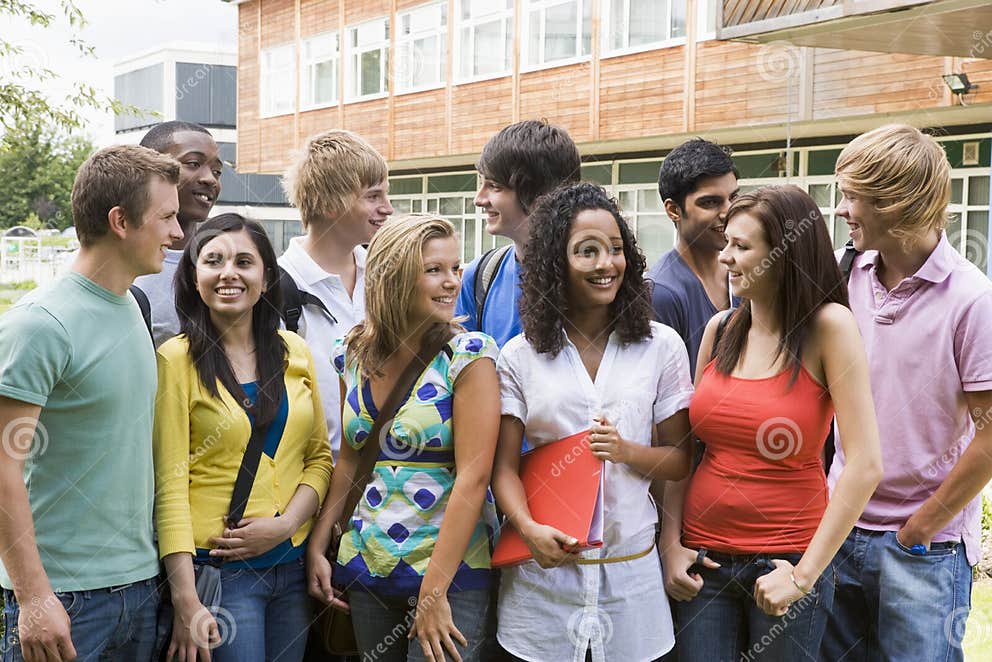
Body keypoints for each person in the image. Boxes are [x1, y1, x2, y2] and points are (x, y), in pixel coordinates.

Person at [661, 185, 883, 661]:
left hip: (787, 561)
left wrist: (803, 577)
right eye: (726, 243)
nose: (725, 258)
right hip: (704, 564)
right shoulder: (720, 330)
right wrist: (671, 544)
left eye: (741, 246)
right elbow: (687, 451)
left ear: (785, 254)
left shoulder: (830, 327)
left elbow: (865, 464)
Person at [492, 182, 694, 662]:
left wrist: (626, 451)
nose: (607, 264)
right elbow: (502, 469)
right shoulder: (520, 356)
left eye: (616, 250)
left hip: (631, 591)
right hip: (542, 593)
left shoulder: (661, 346)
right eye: (588, 251)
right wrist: (526, 527)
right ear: (554, 263)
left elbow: (680, 459)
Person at [0, 144, 182, 662]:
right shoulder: (40, 323)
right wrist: (35, 596)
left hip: (141, 590)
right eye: (167, 217)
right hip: (64, 599)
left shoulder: (131, 308)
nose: (178, 233)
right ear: (121, 221)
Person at [821, 124, 992, 661]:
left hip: (924, 550)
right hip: (838, 529)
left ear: (894, 203)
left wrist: (922, 526)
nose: (842, 209)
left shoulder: (972, 300)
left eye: (852, 196)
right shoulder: (844, 278)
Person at [307, 214, 500, 662]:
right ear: (392, 276)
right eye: (434, 270)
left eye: (455, 268)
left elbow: (475, 476)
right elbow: (353, 461)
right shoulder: (351, 351)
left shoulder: (469, 355)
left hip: (450, 575)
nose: (452, 282)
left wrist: (433, 593)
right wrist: (321, 544)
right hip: (368, 564)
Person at [154, 213, 333, 662]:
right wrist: (184, 599)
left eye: (244, 262)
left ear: (266, 276)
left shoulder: (294, 349)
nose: (229, 273)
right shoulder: (175, 360)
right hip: (219, 573)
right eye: (213, 260)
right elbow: (169, 485)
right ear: (195, 277)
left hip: (290, 568)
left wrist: (287, 524)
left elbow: (320, 459)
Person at [279, 129, 394, 461]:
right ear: (330, 203)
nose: (387, 208)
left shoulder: (387, 275)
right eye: (373, 197)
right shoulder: (276, 287)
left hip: (387, 486)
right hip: (308, 485)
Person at [454, 119, 580, 348]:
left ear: (542, 195)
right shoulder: (480, 277)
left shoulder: (595, 278)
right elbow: (460, 370)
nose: (479, 200)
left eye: (494, 186)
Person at [647, 138, 739, 376]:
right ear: (674, 210)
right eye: (710, 202)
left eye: (733, 198)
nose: (728, 212)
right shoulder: (661, 293)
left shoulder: (743, 274)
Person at [133, 120, 223, 346]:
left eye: (217, 171)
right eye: (193, 163)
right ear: (149, 169)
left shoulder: (229, 266)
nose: (210, 179)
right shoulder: (117, 266)